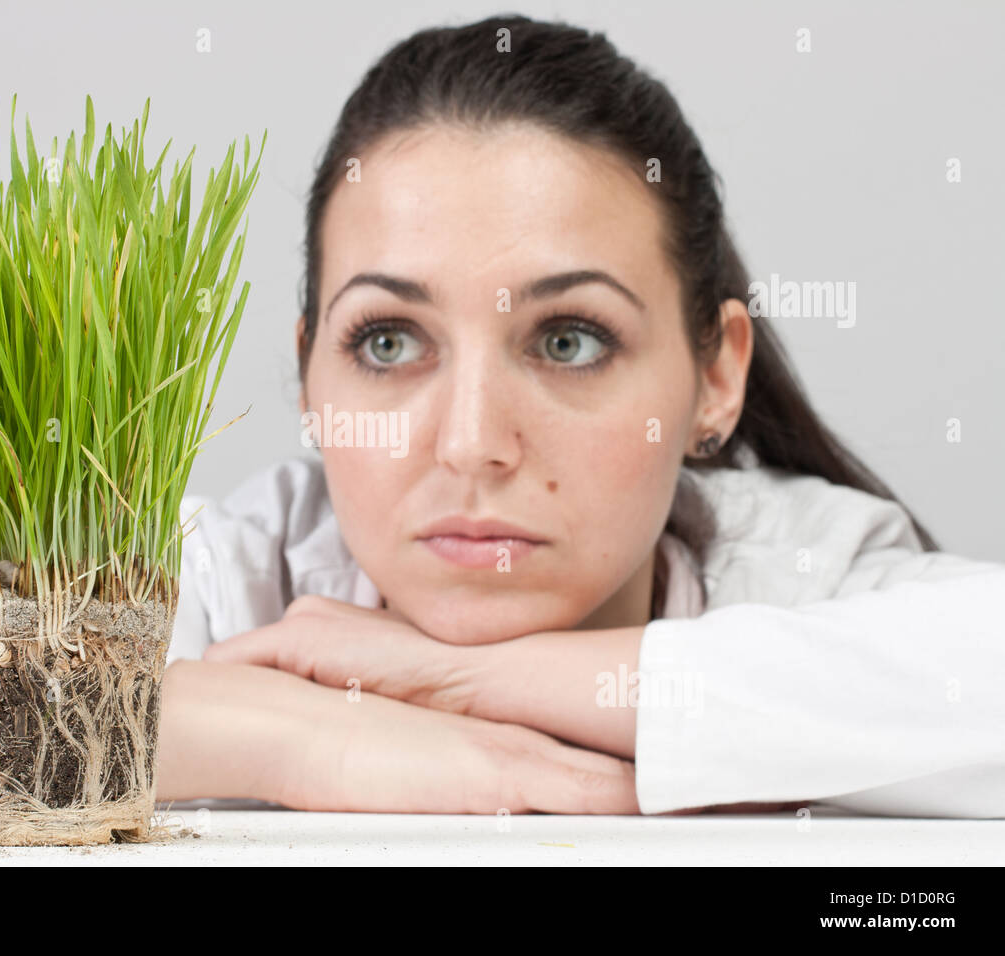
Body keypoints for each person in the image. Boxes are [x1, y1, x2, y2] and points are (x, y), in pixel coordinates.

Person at [152, 15, 1005, 817]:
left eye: (567, 341)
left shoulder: (801, 573)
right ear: (310, 382)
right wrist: (311, 741)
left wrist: (450, 679)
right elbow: (16, 722)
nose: (473, 444)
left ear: (715, 376)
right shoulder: (225, 582)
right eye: (387, 343)